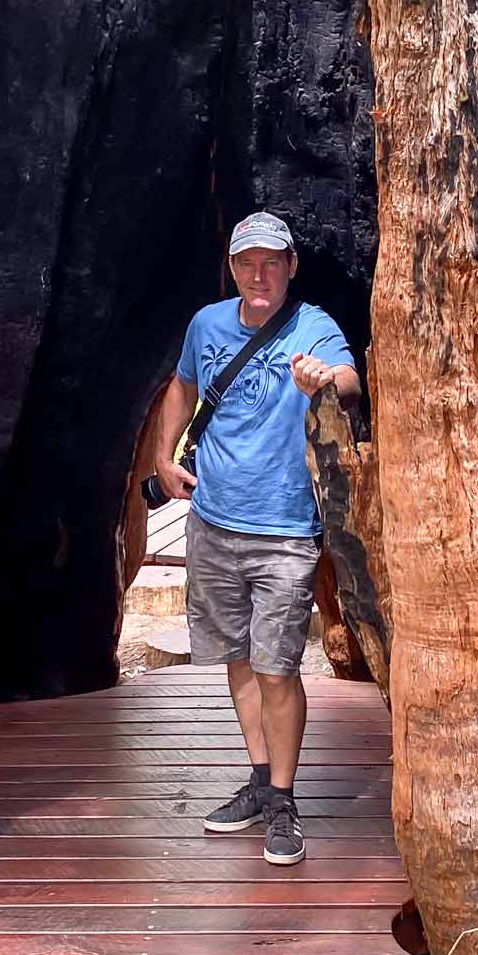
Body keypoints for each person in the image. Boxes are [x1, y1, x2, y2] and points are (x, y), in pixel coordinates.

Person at [153, 212, 361, 866]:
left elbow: (351, 382)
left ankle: (283, 799)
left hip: (284, 531)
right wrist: (164, 457)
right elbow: (183, 386)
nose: (259, 274)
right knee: (237, 659)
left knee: (277, 667)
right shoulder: (207, 324)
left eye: (272, 261)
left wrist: (323, 381)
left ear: (292, 265)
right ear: (234, 267)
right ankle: (257, 775)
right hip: (213, 523)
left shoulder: (313, 328)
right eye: (248, 262)